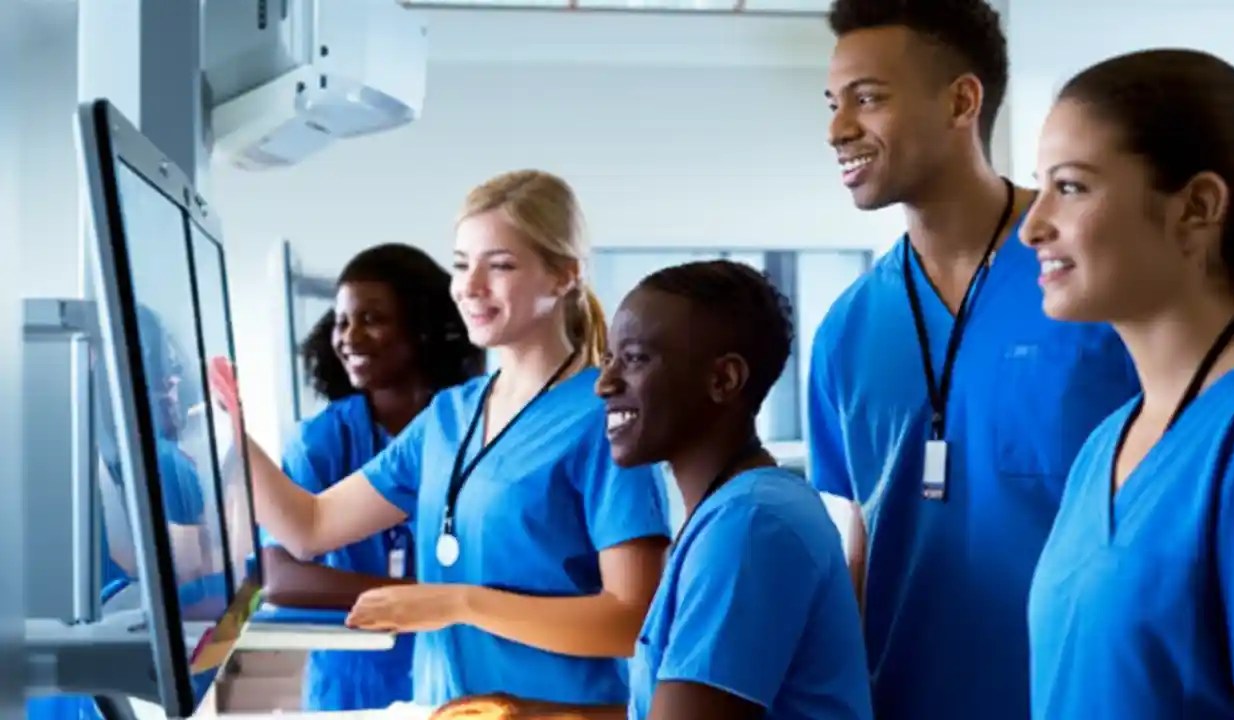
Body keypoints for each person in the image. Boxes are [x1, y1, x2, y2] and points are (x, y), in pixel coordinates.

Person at [209, 169, 671, 711]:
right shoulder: (451, 415)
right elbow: (310, 526)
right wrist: (230, 425)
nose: (470, 286)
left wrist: (458, 603)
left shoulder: (604, 419)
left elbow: (631, 618)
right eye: (461, 264)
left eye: (499, 266)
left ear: (563, 276)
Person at [807, 2, 1140, 718]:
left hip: (1085, 696)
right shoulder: (846, 331)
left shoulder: (1097, 286)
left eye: (867, 99)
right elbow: (860, 542)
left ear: (962, 100)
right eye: (833, 104)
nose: (837, 129)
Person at [1021, 49, 1234, 720]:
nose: (1032, 225)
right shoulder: (1106, 445)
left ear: (1197, 206)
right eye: (1038, 185)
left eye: (1071, 187)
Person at [598, 260, 874, 720]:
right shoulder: (733, 510)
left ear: (724, 380)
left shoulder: (750, 524)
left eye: (636, 359)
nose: (605, 383)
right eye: (609, 358)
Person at [259, 243, 485, 712]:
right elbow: (279, 574)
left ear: (421, 330)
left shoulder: (474, 428)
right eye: (342, 321)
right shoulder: (322, 442)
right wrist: (428, 600)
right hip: (353, 683)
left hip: (460, 671)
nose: (349, 337)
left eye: (371, 319)